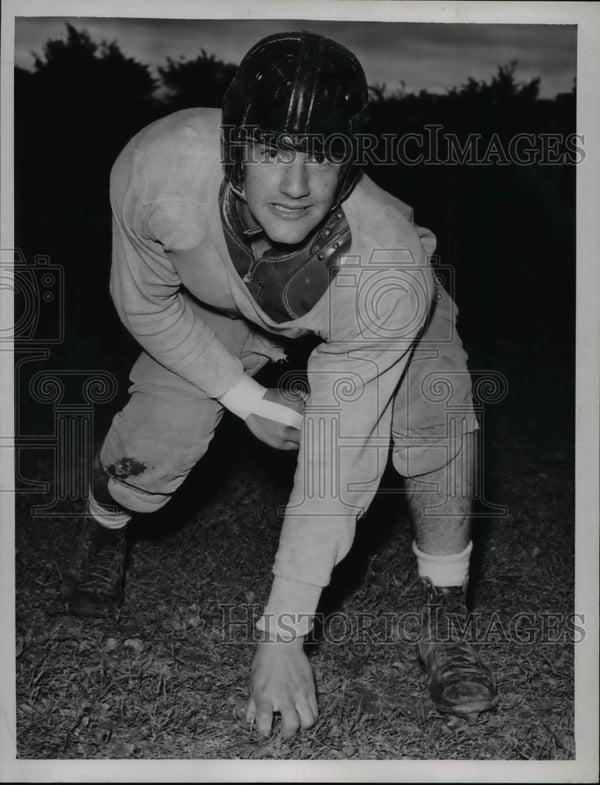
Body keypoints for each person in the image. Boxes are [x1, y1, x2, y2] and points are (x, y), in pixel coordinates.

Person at [62, 30, 497, 737]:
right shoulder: (158, 167)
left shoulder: (387, 267)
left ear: (350, 161)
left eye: (322, 154)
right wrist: (245, 396)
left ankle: (445, 609)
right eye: (272, 151)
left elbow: (339, 457)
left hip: (357, 301)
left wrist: (283, 633)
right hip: (216, 298)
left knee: (437, 408)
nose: (296, 186)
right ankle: (105, 528)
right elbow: (145, 305)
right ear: (235, 147)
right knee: (155, 441)